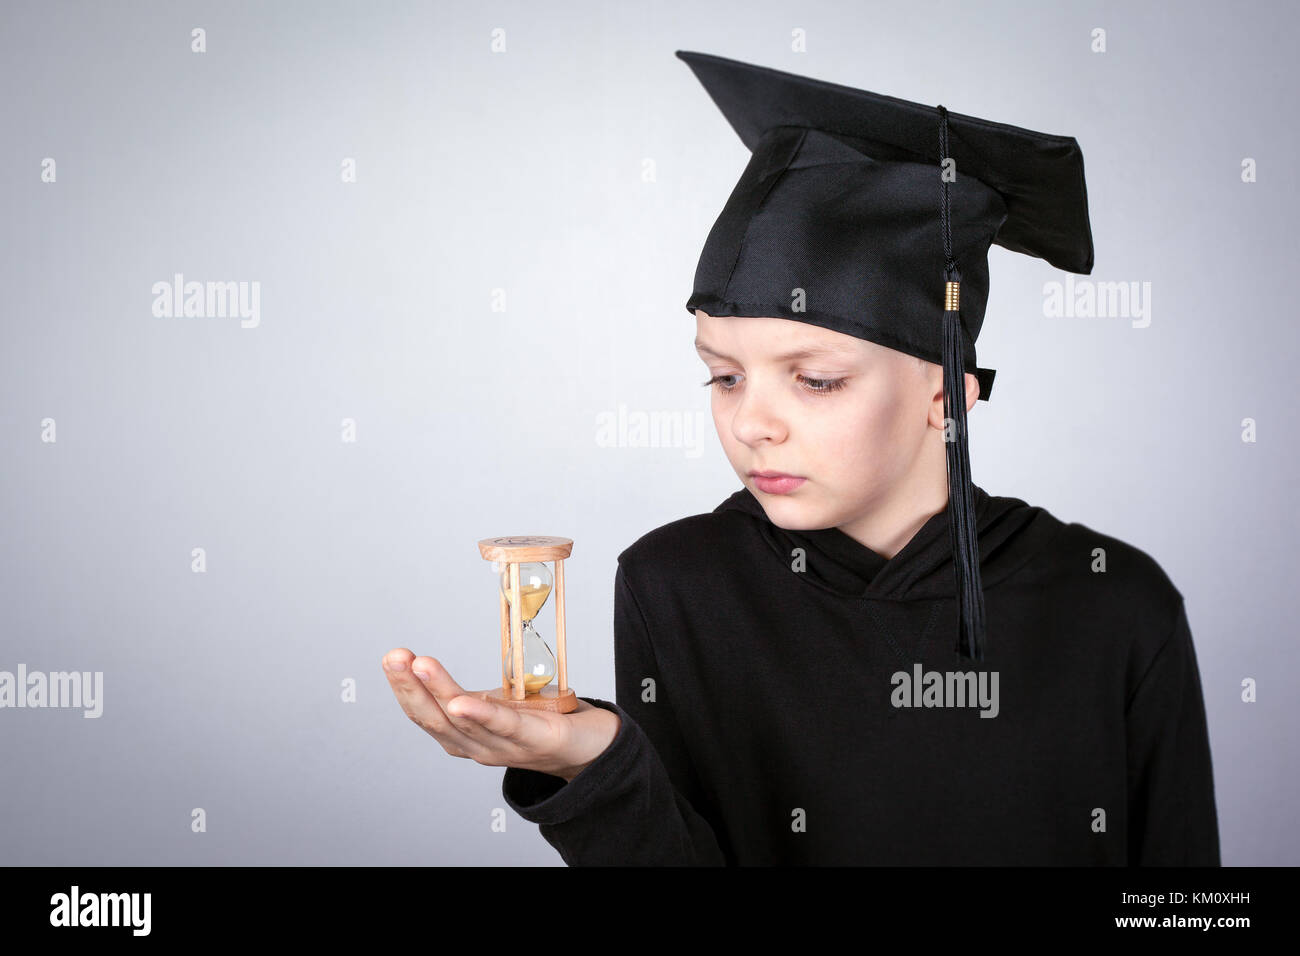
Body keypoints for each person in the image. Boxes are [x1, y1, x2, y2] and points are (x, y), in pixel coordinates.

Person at [382, 51, 1220, 865]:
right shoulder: (676, 583)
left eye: (815, 380)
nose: (752, 423)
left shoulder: (1113, 601)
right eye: (723, 376)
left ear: (948, 395)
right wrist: (596, 768)